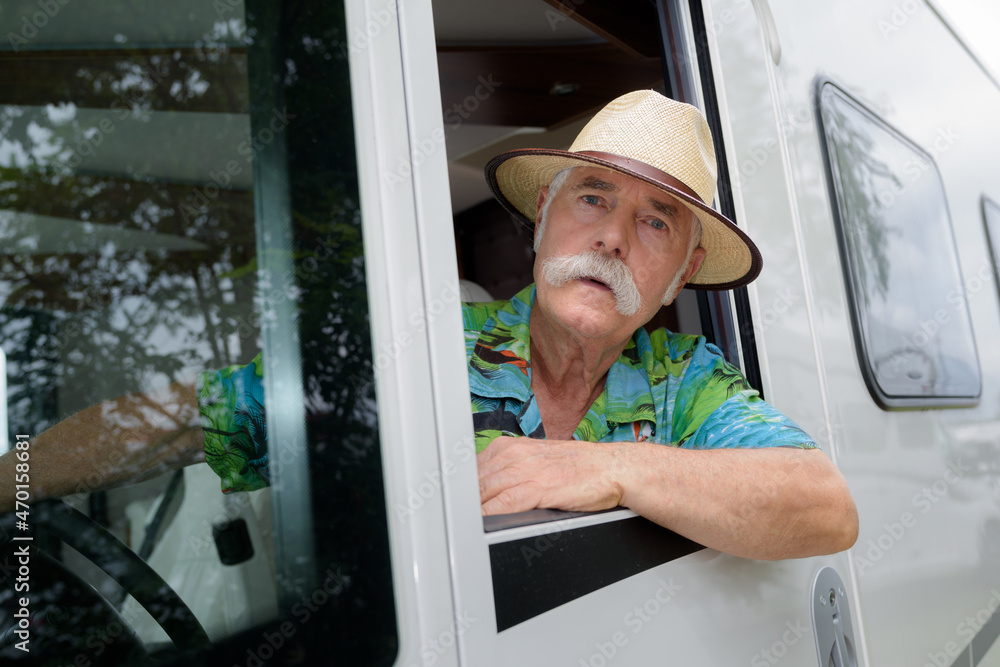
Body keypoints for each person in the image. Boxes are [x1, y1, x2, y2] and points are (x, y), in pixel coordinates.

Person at [0, 90, 858, 560]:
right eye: (593, 198)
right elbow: (183, 420)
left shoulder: (685, 377)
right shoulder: (422, 348)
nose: (611, 237)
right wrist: (15, 479)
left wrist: (604, 467)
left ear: (678, 275)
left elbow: (825, 505)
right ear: (545, 219)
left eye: (655, 221)